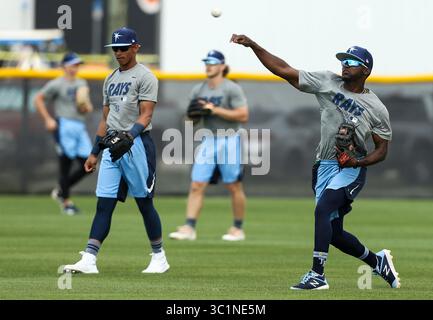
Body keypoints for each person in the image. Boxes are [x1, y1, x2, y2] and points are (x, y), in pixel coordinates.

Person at [231, 34, 400, 290]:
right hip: (324, 165)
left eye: (352, 61)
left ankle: (317, 275)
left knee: (322, 210)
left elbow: (382, 150)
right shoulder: (327, 82)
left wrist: (357, 163)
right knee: (334, 234)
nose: (345, 64)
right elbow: (285, 71)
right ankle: (378, 262)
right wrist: (254, 46)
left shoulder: (376, 108)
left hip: (348, 168)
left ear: (365, 70)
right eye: (344, 60)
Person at [63, 27, 169, 274]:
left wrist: (129, 136)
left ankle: (159, 257)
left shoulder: (146, 76)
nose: (118, 53)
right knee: (104, 203)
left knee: (144, 203)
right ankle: (89, 259)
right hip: (112, 146)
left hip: (137, 145)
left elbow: (147, 114)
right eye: (115, 49)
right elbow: (105, 119)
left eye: (123, 48)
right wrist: (94, 152)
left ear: (136, 48)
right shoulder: (110, 79)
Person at [169, 50, 249, 241]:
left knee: (233, 185)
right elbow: (191, 120)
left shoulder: (231, 88)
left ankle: (237, 228)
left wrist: (214, 109)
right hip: (208, 139)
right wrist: (193, 115)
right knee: (197, 184)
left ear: (222, 66)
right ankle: (189, 227)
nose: (209, 66)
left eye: (213, 62)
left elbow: (243, 115)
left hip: (230, 138)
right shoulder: (199, 90)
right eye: (206, 62)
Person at [34, 52, 93, 215]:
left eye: (77, 65)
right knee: (65, 164)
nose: (75, 68)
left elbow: (85, 107)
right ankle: (66, 202)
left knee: (88, 164)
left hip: (79, 126)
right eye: (73, 65)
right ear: (64, 66)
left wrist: (86, 107)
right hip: (64, 125)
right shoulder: (57, 84)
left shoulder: (81, 82)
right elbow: (38, 98)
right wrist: (48, 119)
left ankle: (61, 191)